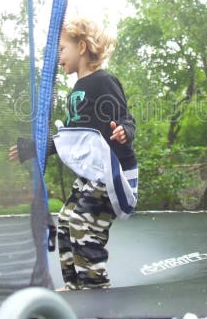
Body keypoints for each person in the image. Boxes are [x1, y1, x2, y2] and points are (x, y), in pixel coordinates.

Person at [9, 17, 138, 291]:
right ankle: (75, 285)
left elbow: (126, 118)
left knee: (83, 223)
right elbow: (71, 140)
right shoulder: (77, 90)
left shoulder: (103, 81)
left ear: (81, 47)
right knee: (66, 220)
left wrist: (124, 131)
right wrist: (34, 149)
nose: (58, 58)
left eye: (61, 50)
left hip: (111, 173)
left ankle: (96, 287)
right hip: (91, 174)